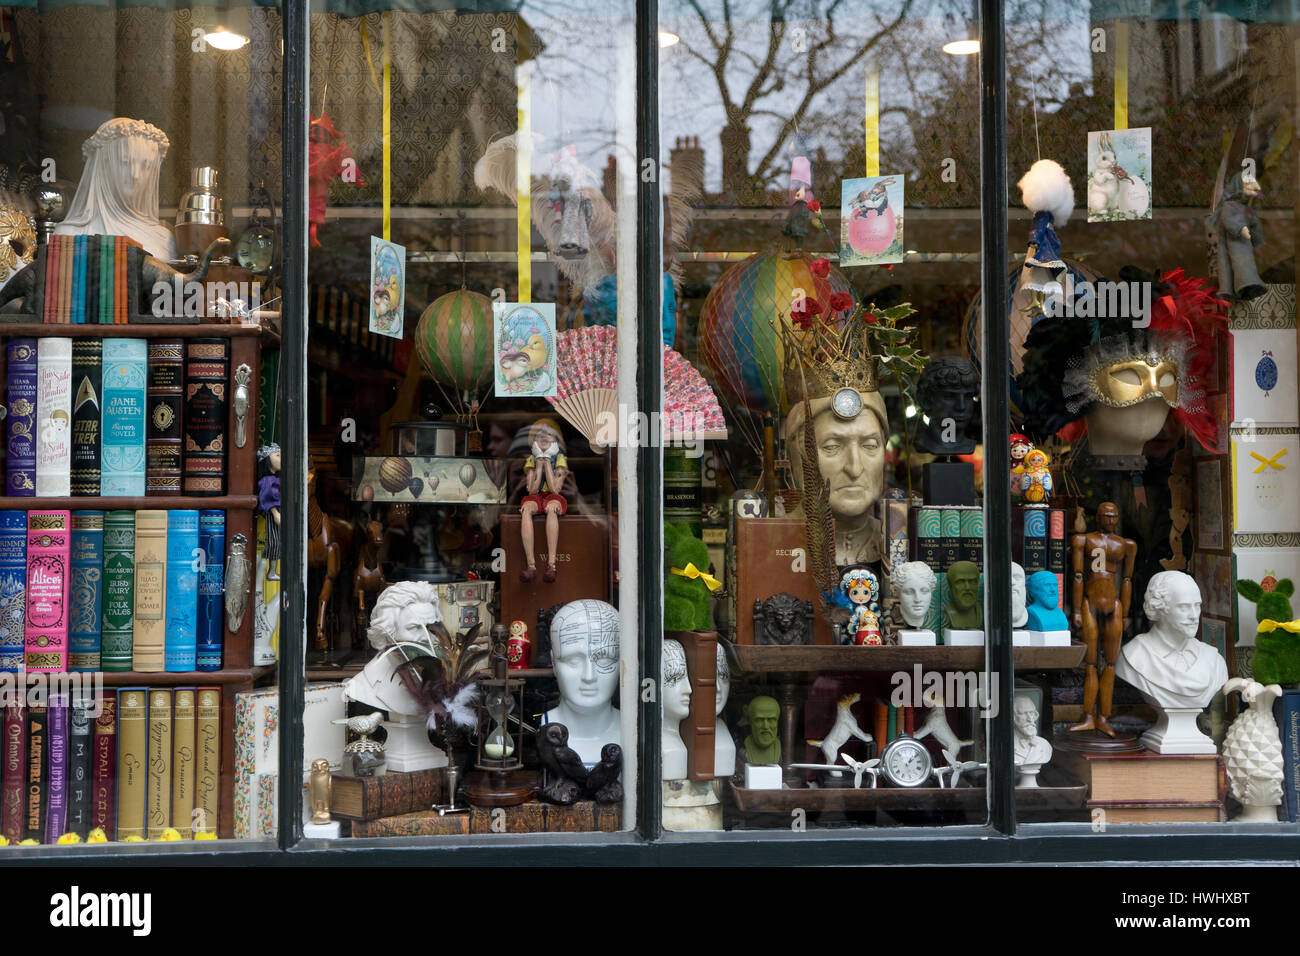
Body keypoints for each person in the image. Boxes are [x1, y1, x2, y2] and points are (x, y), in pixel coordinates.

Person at [1069, 501, 1136, 737]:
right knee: (1089, 663)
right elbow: (1078, 575)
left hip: (1113, 604)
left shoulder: (1126, 545)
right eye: (1105, 516)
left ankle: (1103, 717)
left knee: (1109, 664)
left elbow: (1127, 580)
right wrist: (1077, 609)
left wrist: (1126, 612)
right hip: (1090, 602)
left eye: (1113, 516)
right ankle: (1088, 716)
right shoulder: (1083, 540)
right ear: (1097, 517)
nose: (1110, 520)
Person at [1115, 571, 1228, 710]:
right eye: (1184, 607)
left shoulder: (1214, 661)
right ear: (1160, 608)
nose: (1194, 616)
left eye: (1197, 605)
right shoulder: (1134, 656)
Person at [519, 418, 568, 583]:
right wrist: (539, 466)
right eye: (539, 435)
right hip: (537, 496)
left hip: (553, 496)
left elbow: (555, 489)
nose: (544, 437)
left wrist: (547, 463)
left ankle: (551, 565)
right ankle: (531, 566)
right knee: (526, 508)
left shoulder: (560, 460)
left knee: (552, 508)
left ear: (556, 440)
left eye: (549, 434)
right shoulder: (531, 460)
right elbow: (532, 489)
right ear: (534, 440)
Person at [945, 560, 982, 630]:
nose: (967, 587)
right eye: (960, 582)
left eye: (972, 581)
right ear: (950, 586)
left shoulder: (980, 612)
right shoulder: (949, 611)